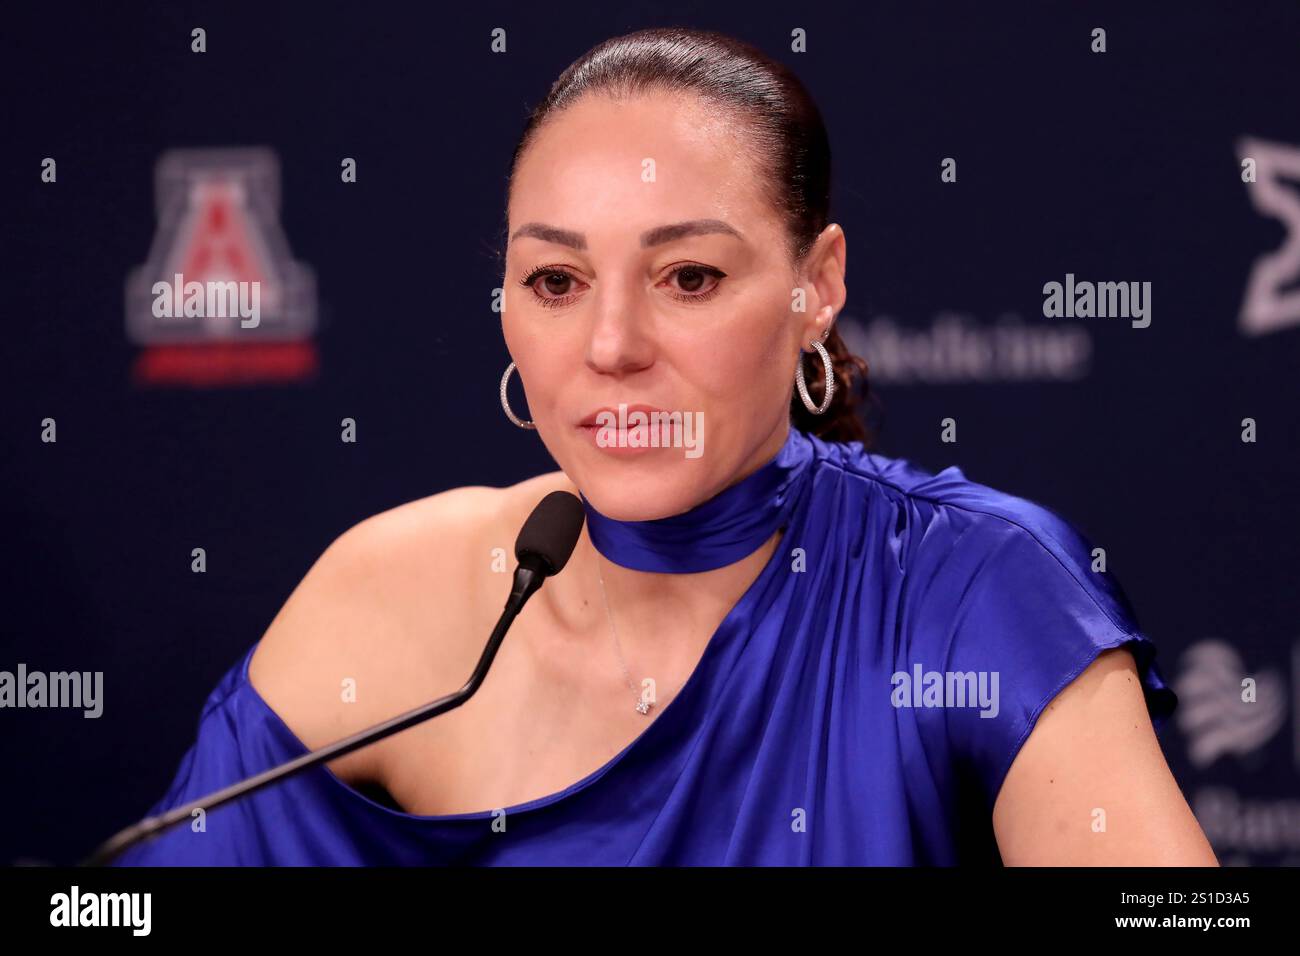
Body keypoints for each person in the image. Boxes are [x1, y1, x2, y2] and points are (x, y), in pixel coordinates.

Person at [112, 27, 1217, 866]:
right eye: (555, 280)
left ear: (815, 284)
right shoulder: (390, 591)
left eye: (688, 277)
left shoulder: (974, 586)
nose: (610, 345)